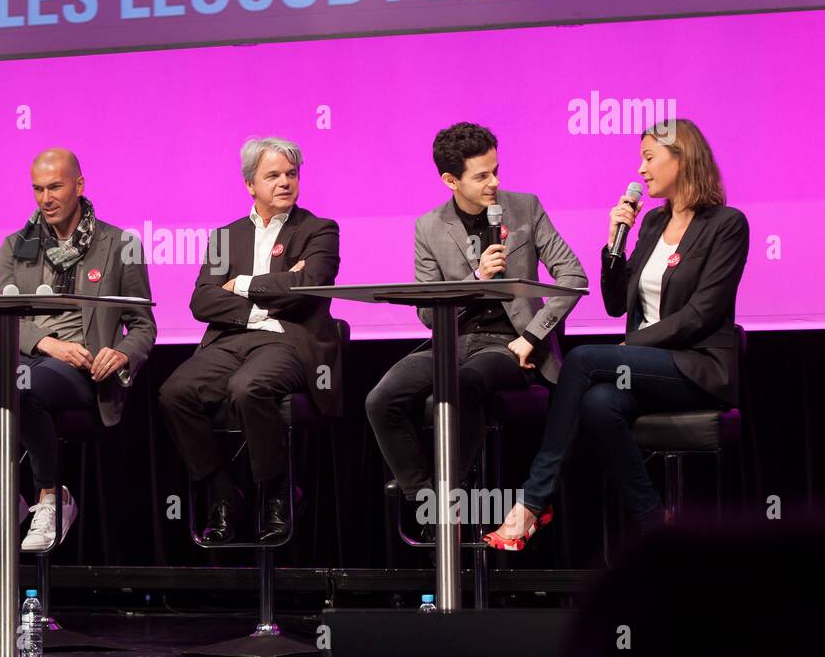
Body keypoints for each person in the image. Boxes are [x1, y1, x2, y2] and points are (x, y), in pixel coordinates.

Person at [485, 119, 749, 548]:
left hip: (697, 366)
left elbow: (703, 313)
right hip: (649, 368)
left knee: (583, 359)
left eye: (649, 158)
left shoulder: (727, 224)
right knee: (598, 404)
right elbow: (615, 304)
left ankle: (532, 501)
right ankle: (655, 523)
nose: (640, 170)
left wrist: (635, 343)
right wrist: (614, 245)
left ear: (682, 158)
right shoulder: (652, 224)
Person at [0, 148, 155, 551]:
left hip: (79, 367)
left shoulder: (121, 244)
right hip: (21, 354)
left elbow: (142, 325)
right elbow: (1, 317)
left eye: (55, 187)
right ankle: (0, 496)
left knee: (22, 388)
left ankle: (51, 498)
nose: (45, 198)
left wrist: (121, 354)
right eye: (37, 189)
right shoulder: (16, 246)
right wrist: (48, 344)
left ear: (79, 186)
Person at [365, 122, 585, 530]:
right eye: (482, 176)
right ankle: (428, 502)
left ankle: (453, 490)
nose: (494, 183)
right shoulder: (429, 226)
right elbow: (427, 314)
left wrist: (532, 336)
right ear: (451, 181)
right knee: (381, 400)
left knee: (463, 383)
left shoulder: (525, 208)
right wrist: (477, 280)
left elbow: (573, 277)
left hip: (510, 344)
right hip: (452, 341)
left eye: (496, 171)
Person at [159, 137, 341, 545]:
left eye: (291, 174)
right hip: (231, 339)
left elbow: (309, 285)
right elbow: (202, 300)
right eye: (272, 175)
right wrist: (269, 298)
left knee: (249, 388)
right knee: (175, 393)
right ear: (249, 185)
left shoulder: (319, 230)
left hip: (287, 341)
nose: (285, 182)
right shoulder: (227, 236)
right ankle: (223, 494)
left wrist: (240, 284)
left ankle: (278, 493)